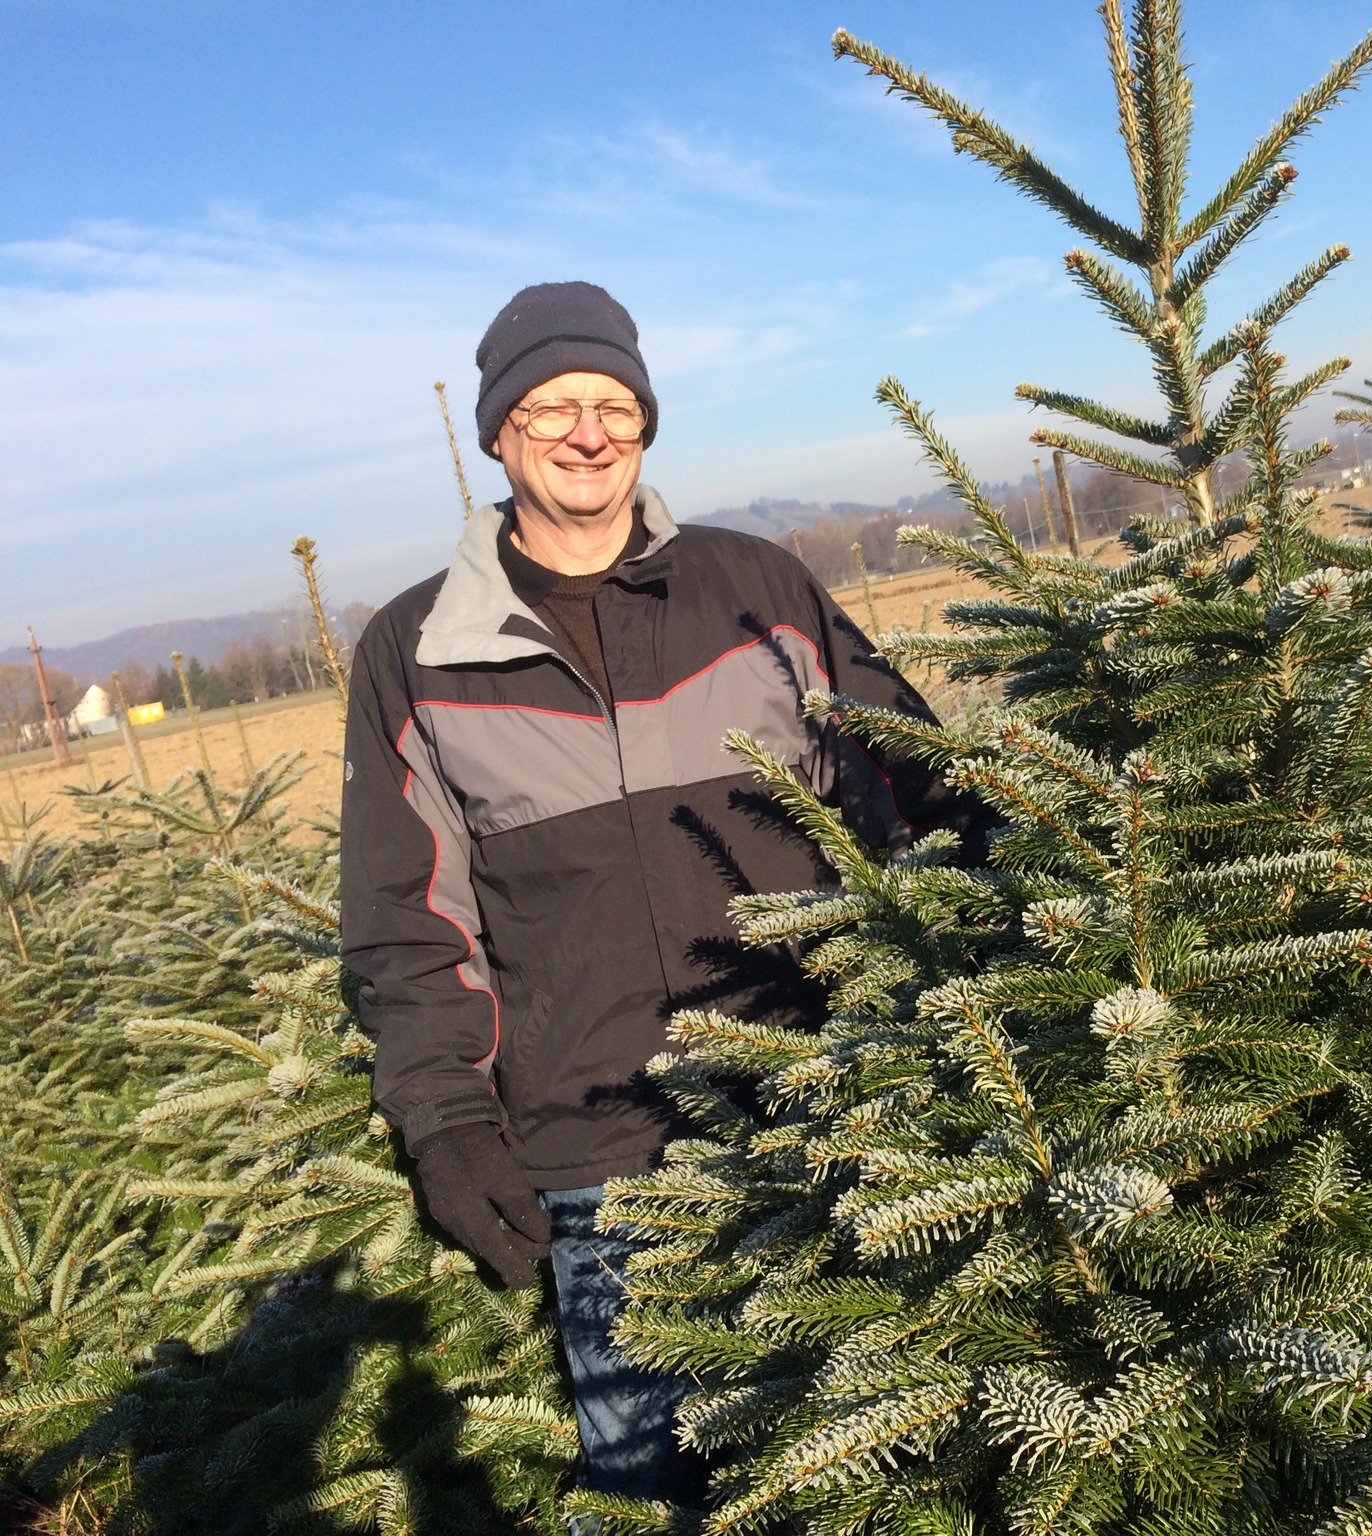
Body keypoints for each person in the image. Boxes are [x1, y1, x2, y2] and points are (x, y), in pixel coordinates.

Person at [340, 281, 970, 1504]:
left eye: (616, 405)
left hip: (838, 1101)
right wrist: (447, 1124)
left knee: (899, 1483)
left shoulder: (756, 586)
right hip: (601, 1161)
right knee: (656, 1497)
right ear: (500, 434)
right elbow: (407, 916)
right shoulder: (414, 652)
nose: (589, 433)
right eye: (555, 406)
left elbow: (918, 776)